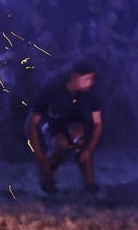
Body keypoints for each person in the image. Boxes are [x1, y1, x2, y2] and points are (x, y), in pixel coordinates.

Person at [27, 60, 103, 195]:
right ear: (74, 77)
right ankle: (47, 181)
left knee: (79, 139)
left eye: (92, 79)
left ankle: (90, 184)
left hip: (78, 128)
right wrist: (41, 160)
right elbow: (31, 125)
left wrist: (88, 150)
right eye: (87, 79)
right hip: (52, 127)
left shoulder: (91, 93)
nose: (91, 83)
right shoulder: (51, 91)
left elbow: (98, 124)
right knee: (60, 144)